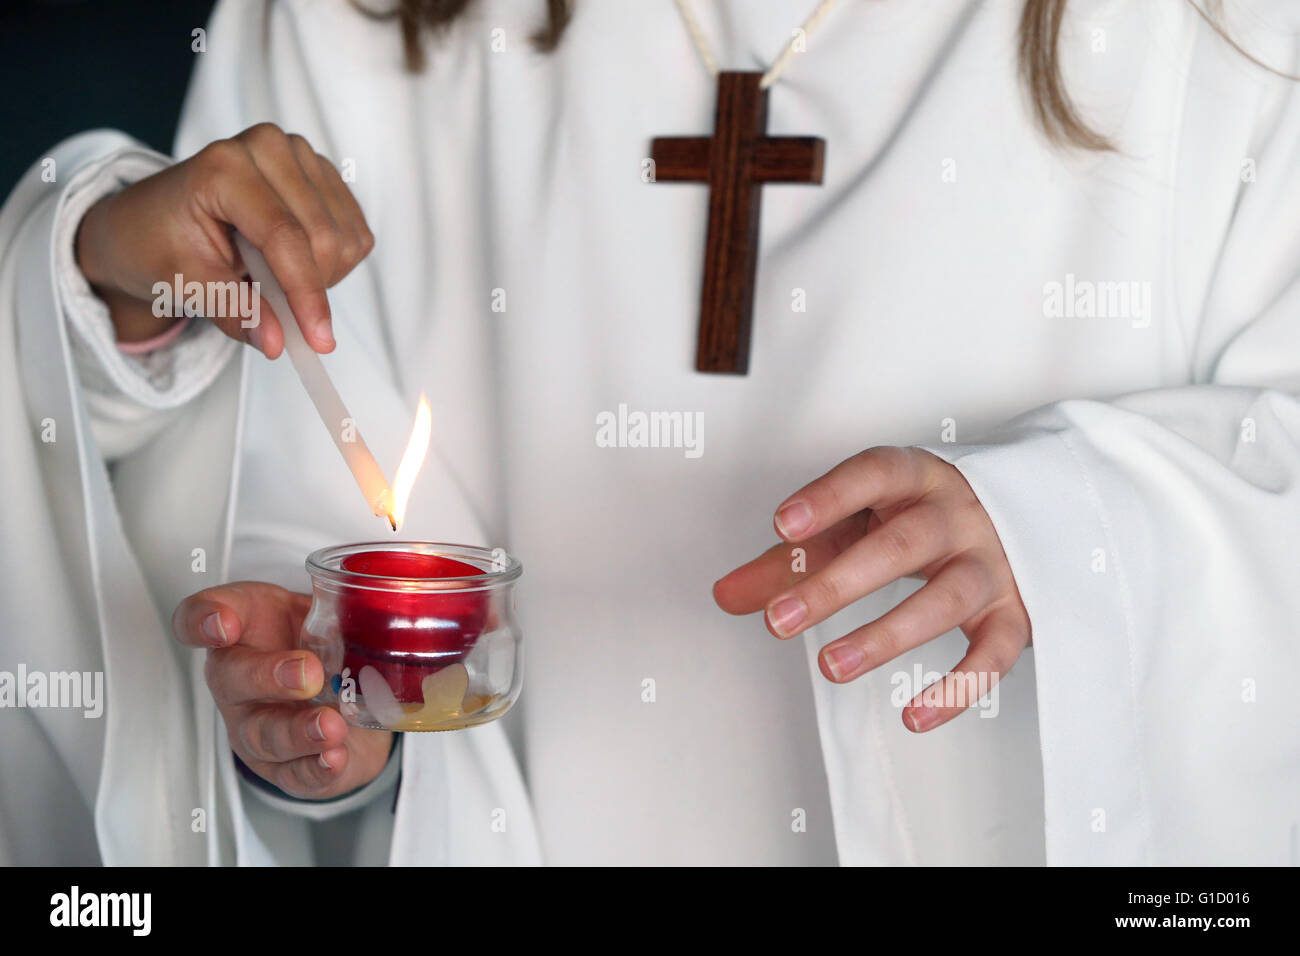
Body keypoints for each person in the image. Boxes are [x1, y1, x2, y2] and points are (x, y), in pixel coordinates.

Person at [2, 0, 1297, 865]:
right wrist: (327, 741)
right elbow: (283, 519)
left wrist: (1076, 537)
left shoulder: (1222, 35)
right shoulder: (352, 26)